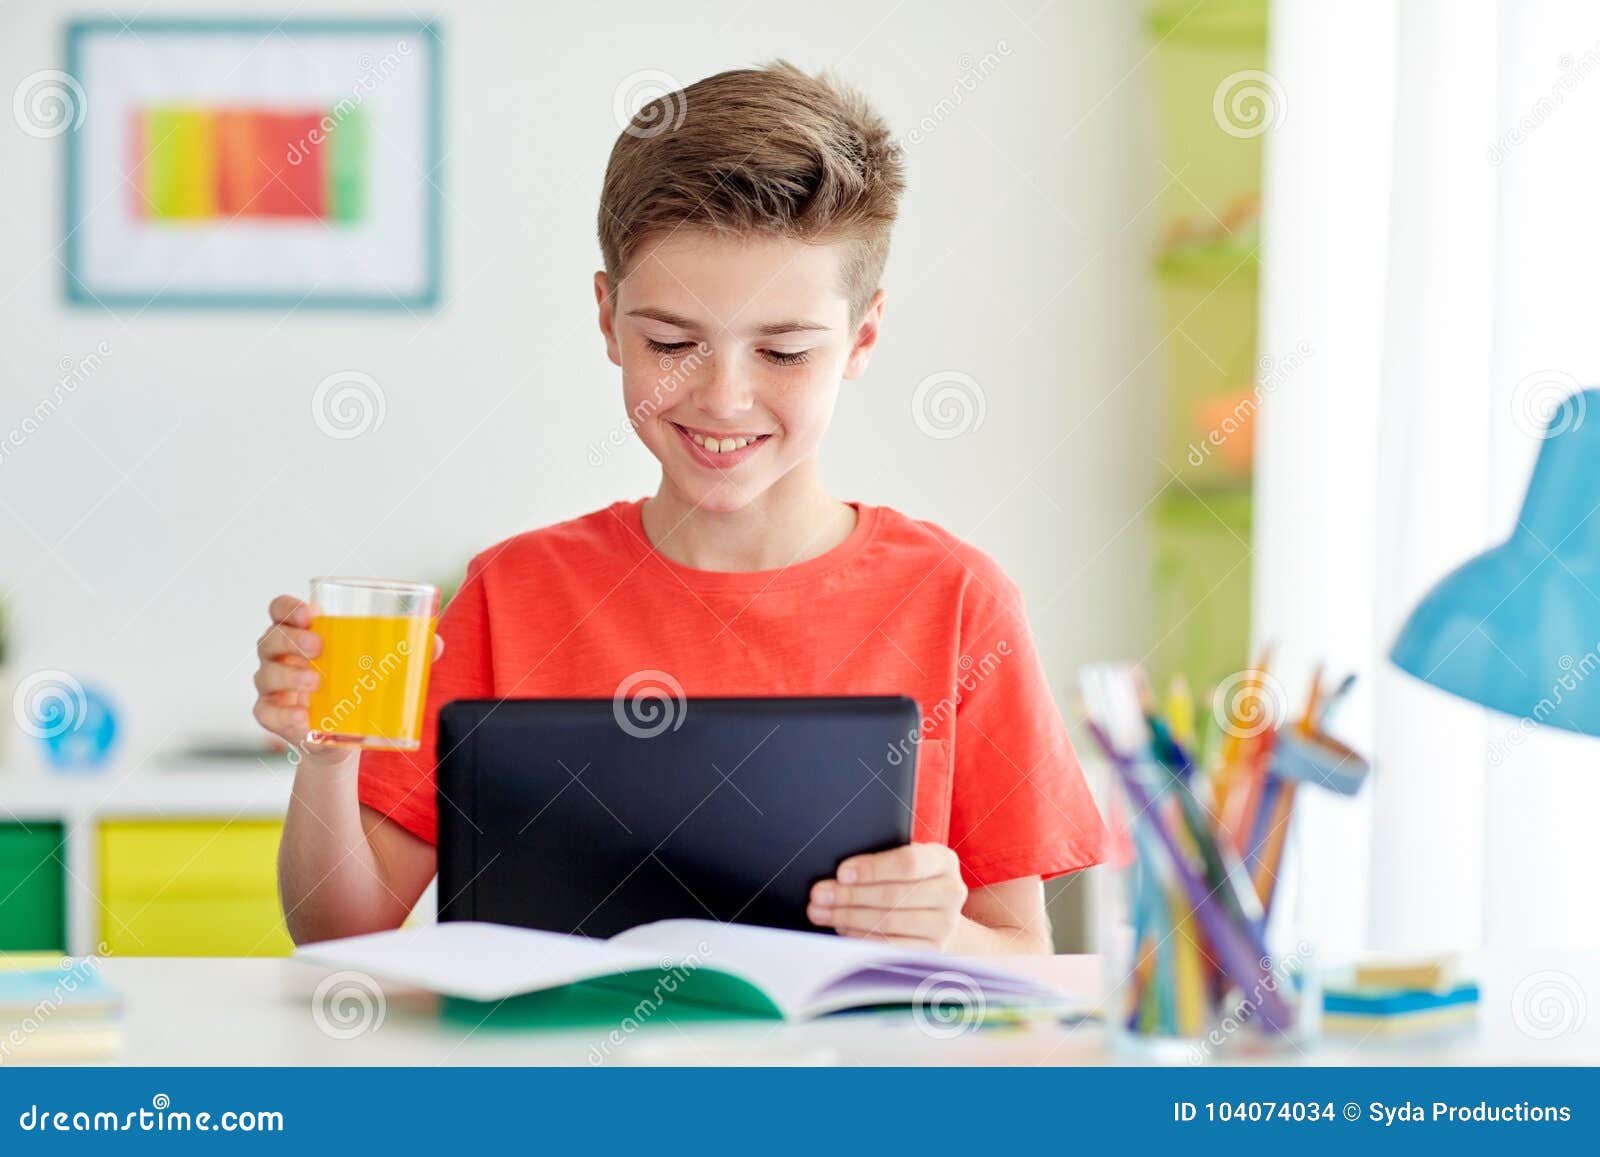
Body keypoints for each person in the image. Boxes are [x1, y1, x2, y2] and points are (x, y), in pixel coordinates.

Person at [254, 62, 1106, 953]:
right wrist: (328, 755)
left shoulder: (960, 603)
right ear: (607, 319)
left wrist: (948, 933)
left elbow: (1025, 955)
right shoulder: (512, 593)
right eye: (671, 342)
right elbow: (338, 932)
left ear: (862, 338)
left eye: (783, 352)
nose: (724, 399)